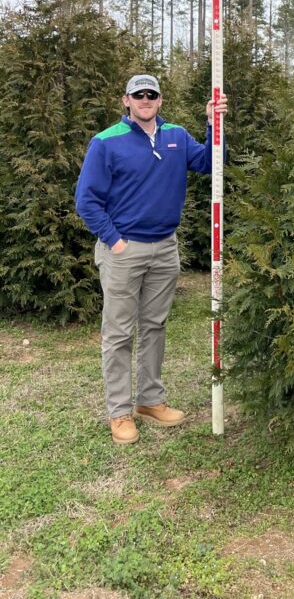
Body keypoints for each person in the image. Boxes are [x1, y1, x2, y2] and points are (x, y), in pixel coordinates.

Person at [75, 74, 228, 445]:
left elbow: (210, 163)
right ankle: (119, 412)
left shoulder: (176, 136)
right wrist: (116, 243)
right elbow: (87, 201)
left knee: (155, 326)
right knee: (119, 333)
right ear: (125, 100)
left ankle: (150, 400)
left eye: (152, 94)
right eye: (138, 95)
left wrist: (213, 124)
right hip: (124, 250)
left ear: (160, 101)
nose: (145, 99)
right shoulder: (106, 142)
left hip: (165, 248)